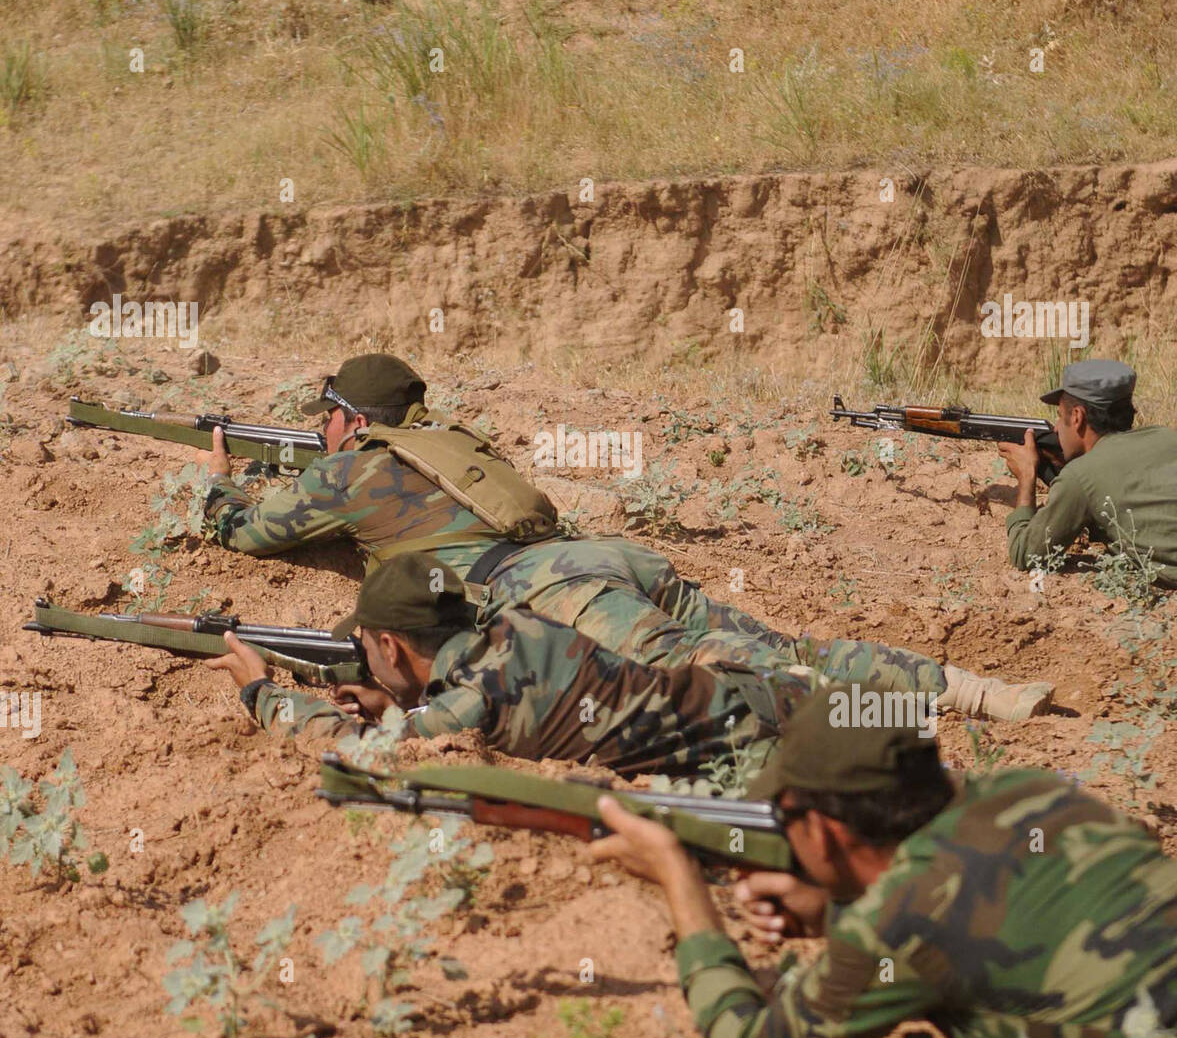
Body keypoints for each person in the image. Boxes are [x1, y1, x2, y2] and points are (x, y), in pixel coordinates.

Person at [204, 354, 1052, 722]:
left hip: (552, 590)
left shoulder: (351, 470)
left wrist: (219, 479)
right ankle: (972, 690)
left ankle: (893, 719)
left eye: (329, 418)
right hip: (606, 558)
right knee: (764, 639)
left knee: (703, 668)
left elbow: (244, 534)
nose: (323, 430)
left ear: (352, 419)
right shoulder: (454, 445)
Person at [587, 687, 1177, 1038]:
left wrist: (681, 882)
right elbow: (993, 903)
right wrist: (838, 907)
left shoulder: (895, 921)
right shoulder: (1037, 791)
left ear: (824, 829)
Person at [207, 553, 817, 779]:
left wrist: (261, 693)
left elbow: (358, 752)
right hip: (764, 694)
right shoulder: (518, 624)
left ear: (390, 648)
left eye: (367, 647)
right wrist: (402, 706)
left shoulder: (469, 706)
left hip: (769, 756)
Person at [998, 359, 1177, 586]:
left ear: (1077, 417)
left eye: (1060, 416)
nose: (1055, 428)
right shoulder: (1166, 436)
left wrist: (1027, 476)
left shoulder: (1081, 476)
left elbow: (1025, 555)